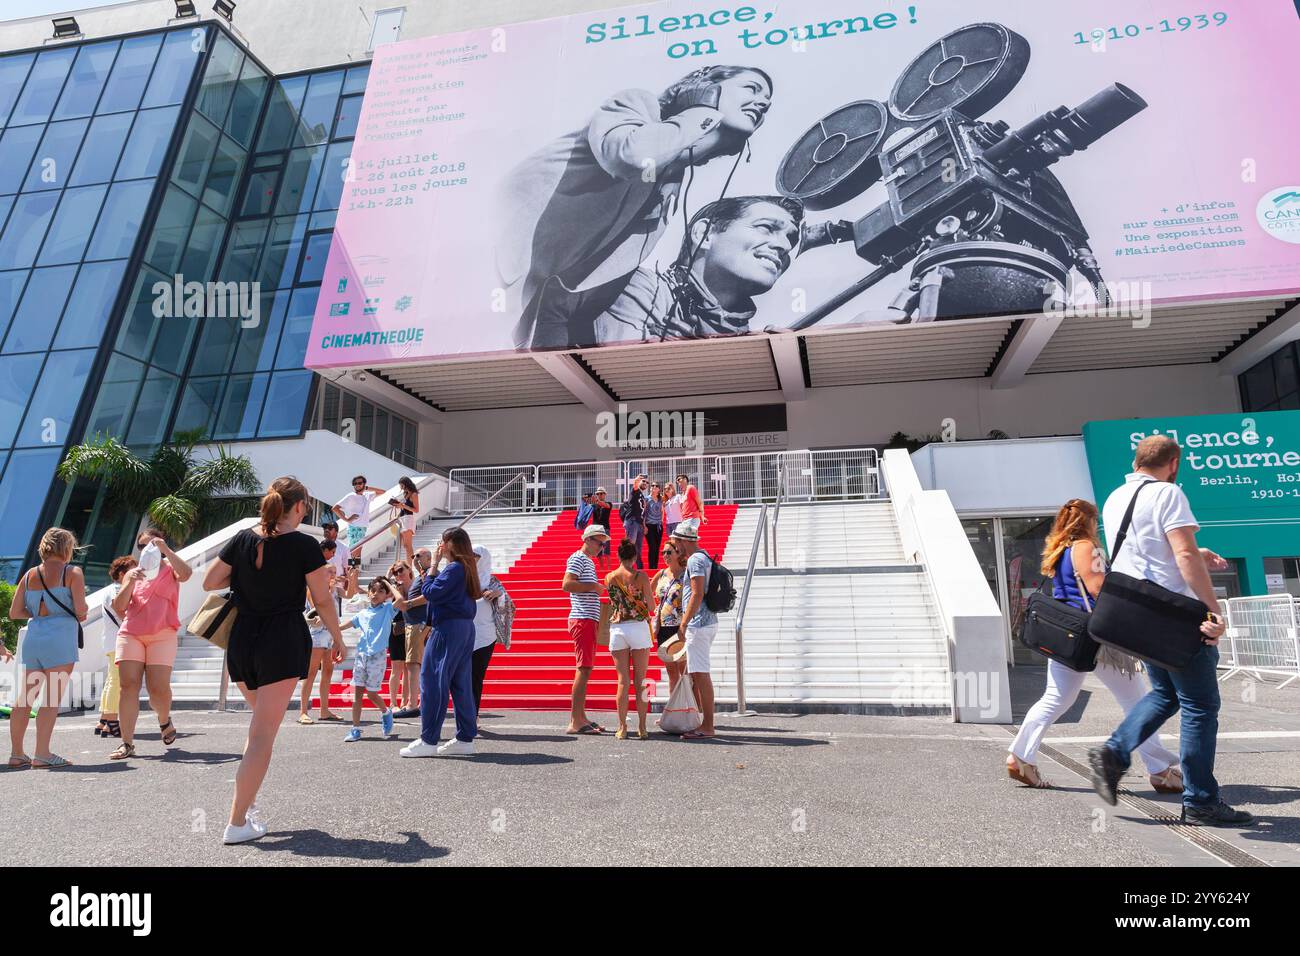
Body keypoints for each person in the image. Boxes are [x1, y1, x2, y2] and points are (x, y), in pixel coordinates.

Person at [498, 65, 775, 350]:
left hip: (547, 307)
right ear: (705, 86)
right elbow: (631, 157)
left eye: (768, 102)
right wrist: (702, 110)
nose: (763, 103)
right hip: (495, 269)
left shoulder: (670, 181)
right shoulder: (638, 106)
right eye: (752, 88)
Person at [1087, 436, 1253, 828]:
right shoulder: (1168, 492)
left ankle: (1114, 752)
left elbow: (1147, 553)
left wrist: (1199, 551)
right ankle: (1201, 800)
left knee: (1164, 693)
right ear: (1174, 462)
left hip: (1142, 615)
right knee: (1199, 705)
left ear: (1137, 460)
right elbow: (1179, 553)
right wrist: (1213, 611)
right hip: (1177, 617)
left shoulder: (1116, 498)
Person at [204, 477, 346, 844]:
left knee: (259, 730)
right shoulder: (303, 545)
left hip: (241, 641)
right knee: (261, 736)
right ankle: (237, 821)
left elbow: (210, 581)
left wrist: (252, 571)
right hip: (280, 640)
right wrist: (339, 636)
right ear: (298, 506)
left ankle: (246, 806)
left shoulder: (243, 539)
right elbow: (323, 600)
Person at [1007, 499, 1182, 792]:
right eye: (1095, 521)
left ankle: (1020, 756)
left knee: (1056, 698)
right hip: (1097, 639)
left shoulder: (1058, 552)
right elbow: (1100, 588)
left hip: (1066, 637)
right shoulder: (1090, 547)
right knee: (1138, 704)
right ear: (1088, 521)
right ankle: (1161, 770)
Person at [599, 195, 804, 342]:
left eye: (791, 239)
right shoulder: (638, 287)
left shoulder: (750, 340)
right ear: (704, 234)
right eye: (766, 227)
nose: (785, 246)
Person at [107, 529, 193, 760]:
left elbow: (186, 574)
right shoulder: (132, 573)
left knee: (158, 688)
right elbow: (119, 607)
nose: (148, 549)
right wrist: (129, 583)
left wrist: (165, 550)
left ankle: (164, 719)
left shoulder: (171, 569)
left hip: (163, 634)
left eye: (153, 544)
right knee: (128, 686)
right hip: (131, 633)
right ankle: (127, 743)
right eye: (143, 546)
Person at [7, 528, 87, 769]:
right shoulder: (72, 572)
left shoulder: (30, 574)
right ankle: (42, 753)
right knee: (51, 699)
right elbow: (81, 611)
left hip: (35, 637)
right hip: (60, 638)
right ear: (66, 548)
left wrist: (38, 612)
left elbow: (14, 613)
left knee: (25, 698)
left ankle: (16, 753)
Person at [400, 528, 481, 758]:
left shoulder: (454, 568)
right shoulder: (466, 568)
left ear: (451, 544)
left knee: (433, 679)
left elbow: (431, 592)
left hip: (448, 628)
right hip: (464, 628)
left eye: (443, 542)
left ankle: (429, 739)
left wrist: (433, 565)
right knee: (460, 683)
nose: (440, 546)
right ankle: (465, 737)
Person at [672, 519, 717, 739]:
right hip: (705, 621)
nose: (675, 545)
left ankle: (707, 725)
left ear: (682, 541)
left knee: (701, 675)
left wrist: (684, 622)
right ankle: (701, 721)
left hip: (699, 623)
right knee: (698, 673)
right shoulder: (704, 556)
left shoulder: (695, 560)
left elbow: (697, 594)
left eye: (676, 541)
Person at [562, 524, 609, 735]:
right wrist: (593, 587)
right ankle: (575, 720)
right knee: (583, 668)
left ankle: (580, 717)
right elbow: (567, 584)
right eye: (599, 542)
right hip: (583, 618)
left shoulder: (587, 560)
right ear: (588, 539)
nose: (602, 547)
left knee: (585, 668)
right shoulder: (578, 558)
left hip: (588, 618)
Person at [341, 577, 401, 742]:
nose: (375, 594)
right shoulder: (362, 613)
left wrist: (388, 585)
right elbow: (344, 625)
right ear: (368, 593)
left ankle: (386, 712)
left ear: (386, 595)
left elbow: (401, 600)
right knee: (357, 695)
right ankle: (355, 729)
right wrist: (325, 624)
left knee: (372, 693)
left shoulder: (388, 609)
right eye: (373, 590)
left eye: (380, 591)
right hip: (361, 656)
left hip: (378, 656)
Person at [605, 539, 655, 740]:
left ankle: (622, 727)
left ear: (618, 556)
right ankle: (643, 726)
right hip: (638, 627)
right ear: (635, 557)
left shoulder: (609, 577)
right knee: (641, 681)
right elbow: (651, 606)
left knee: (622, 681)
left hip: (618, 628)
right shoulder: (641, 576)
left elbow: (613, 603)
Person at [297, 546, 345, 725]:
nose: (333, 574)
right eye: (329, 572)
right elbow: (318, 608)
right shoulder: (314, 589)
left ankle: (324, 710)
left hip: (329, 632)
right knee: (310, 672)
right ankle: (303, 711)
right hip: (317, 633)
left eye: (334, 571)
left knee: (328, 670)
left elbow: (336, 611)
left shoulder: (332, 590)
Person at [94, 555, 136, 739]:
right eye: (132, 570)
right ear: (121, 573)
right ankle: (111, 722)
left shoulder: (112, 589)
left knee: (112, 680)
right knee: (116, 682)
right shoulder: (118, 589)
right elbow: (121, 610)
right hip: (119, 642)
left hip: (112, 642)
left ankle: (104, 720)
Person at [394, 548, 432, 718]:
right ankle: (418, 702)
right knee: (414, 664)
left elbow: (429, 595)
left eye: (418, 556)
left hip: (418, 624)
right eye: (413, 556)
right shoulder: (420, 576)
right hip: (413, 624)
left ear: (429, 558)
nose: (415, 558)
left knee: (413, 664)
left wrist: (408, 604)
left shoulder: (430, 573)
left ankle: (412, 704)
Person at [470, 546, 506, 724]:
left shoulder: (492, 581)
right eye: (471, 555)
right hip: (464, 634)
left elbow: (506, 607)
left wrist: (498, 594)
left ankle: (473, 715)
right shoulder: (463, 579)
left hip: (485, 636)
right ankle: (466, 713)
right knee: (462, 676)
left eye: (476, 555)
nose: (473, 558)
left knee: (476, 676)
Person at [651, 541, 688, 695]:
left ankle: (690, 709)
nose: (665, 556)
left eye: (669, 552)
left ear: (678, 553)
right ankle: (673, 711)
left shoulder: (686, 574)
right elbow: (648, 592)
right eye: (663, 553)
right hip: (663, 628)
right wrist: (655, 609)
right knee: (671, 672)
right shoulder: (661, 574)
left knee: (684, 672)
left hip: (679, 627)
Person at [333, 475, 386, 562]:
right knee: (354, 552)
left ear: (364, 484)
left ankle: (354, 573)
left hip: (362, 527)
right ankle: (351, 572)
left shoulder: (367, 495)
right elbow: (335, 508)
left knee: (358, 553)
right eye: (355, 483)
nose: (357, 485)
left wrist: (367, 488)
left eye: (360, 483)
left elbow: (383, 491)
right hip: (355, 527)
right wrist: (347, 519)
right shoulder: (351, 496)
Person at [389, 476, 419, 563]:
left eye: (401, 485)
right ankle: (404, 564)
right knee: (403, 545)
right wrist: (399, 507)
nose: (401, 487)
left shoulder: (414, 494)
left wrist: (403, 506)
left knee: (407, 545)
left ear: (406, 484)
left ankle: (410, 566)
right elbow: (404, 508)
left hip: (408, 519)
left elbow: (416, 510)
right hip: (402, 519)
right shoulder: (405, 494)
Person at [621, 474, 648, 570]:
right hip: (632, 521)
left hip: (639, 524)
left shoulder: (642, 496)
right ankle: (626, 570)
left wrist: (644, 525)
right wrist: (636, 480)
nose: (645, 483)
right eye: (643, 481)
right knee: (630, 547)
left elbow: (643, 513)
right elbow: (635, 486)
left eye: (646, 482)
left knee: (638, 550)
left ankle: (639, 570)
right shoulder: (635, 491)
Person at [590, 488, 614, 571]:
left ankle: (609, 569)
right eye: (598, 494)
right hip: (596, 529)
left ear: (605, 494)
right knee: (598, 552)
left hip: (605, 529)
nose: (600, 495)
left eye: (601, 493)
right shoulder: (594, 505)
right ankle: (602, 569)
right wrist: (585, 501)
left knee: (606, 551)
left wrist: (596, 501)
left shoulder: (609, 504)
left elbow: (605, 505)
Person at [644, 481, 665, 571]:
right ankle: (651, 568)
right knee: (652, 546)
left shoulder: (661, 500)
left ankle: (655, 567)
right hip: (649, 526)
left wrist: (661, 521)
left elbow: (662, 511)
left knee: (657, 548)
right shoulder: (647, 499)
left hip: (658, 526)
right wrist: (644, 525)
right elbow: (643, 513)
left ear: (659, 489)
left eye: (656, 486)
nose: (654, 487)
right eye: (652, 486)